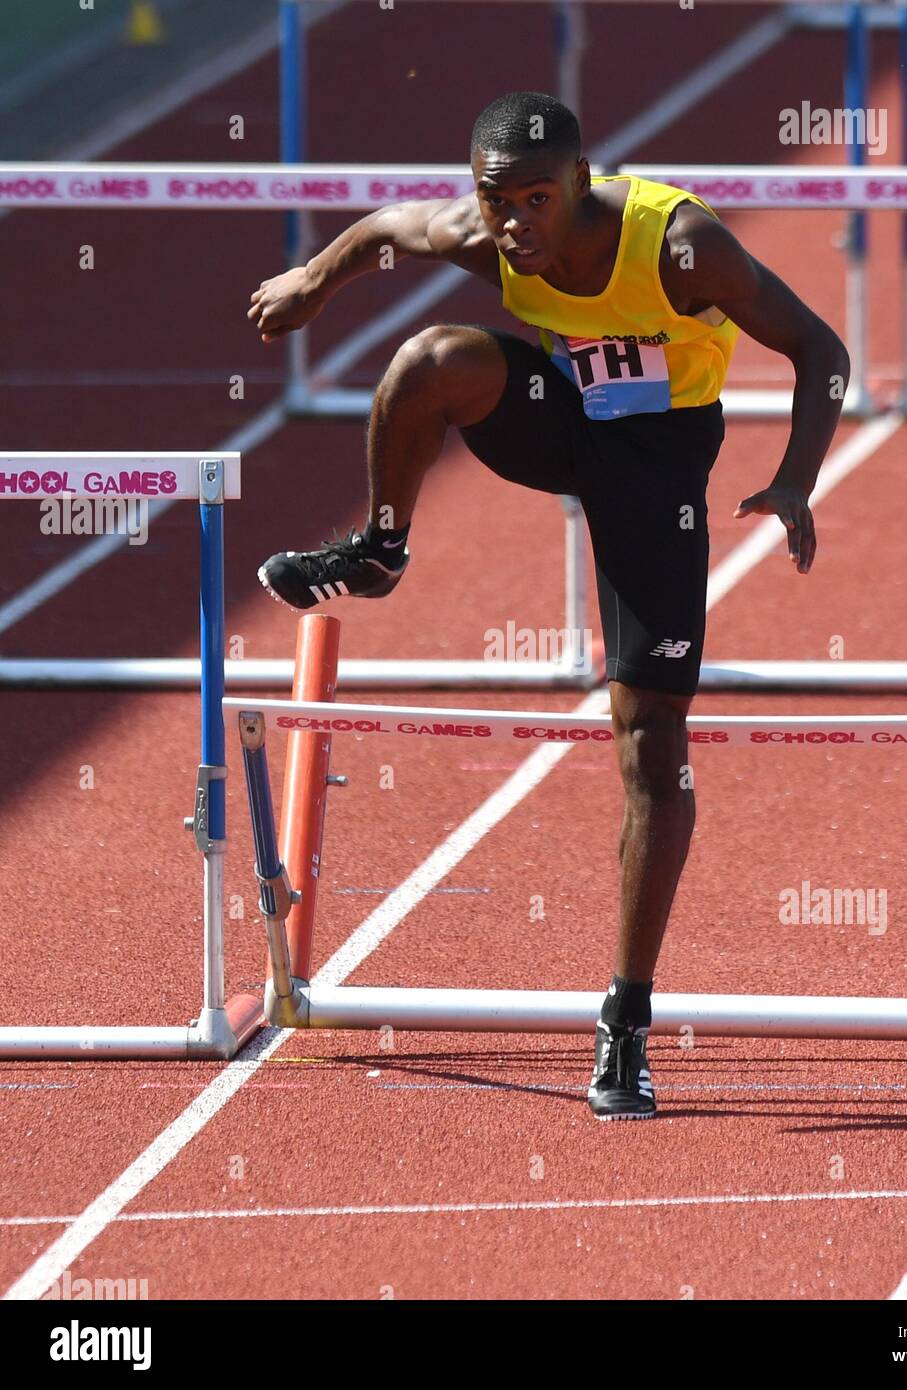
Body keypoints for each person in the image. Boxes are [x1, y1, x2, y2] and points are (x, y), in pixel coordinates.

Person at [249, 91, 849, 1121]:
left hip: (659, 461)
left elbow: (821, 351)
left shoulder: (681, 246)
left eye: (538, 200)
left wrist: (794, 478)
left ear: (584, 183)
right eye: (498, 203)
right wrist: (310, 282)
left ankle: (626, 1016)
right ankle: (382, 547)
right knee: (434, 359)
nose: (517, 224)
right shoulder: (488, 237)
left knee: (651, 744)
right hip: (560, 416)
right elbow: (392, 227)